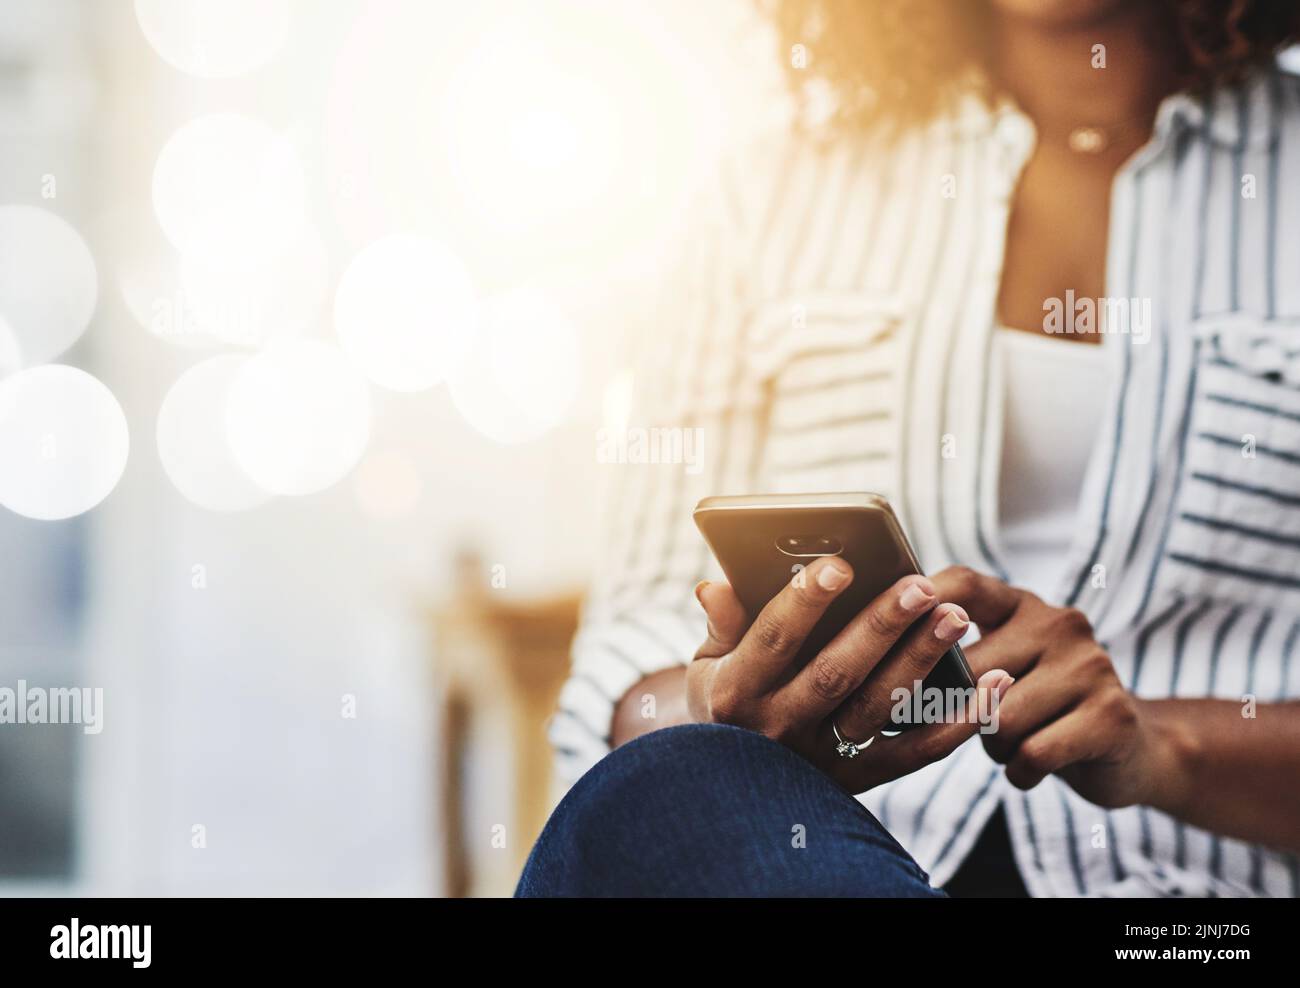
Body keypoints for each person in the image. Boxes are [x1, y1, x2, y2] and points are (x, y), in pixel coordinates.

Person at [521, 0, 1300, 897]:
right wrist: (724, 714)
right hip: (821, 870)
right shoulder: (769, 196)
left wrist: (1166, 748)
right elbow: (626, 662)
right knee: (666, 784)